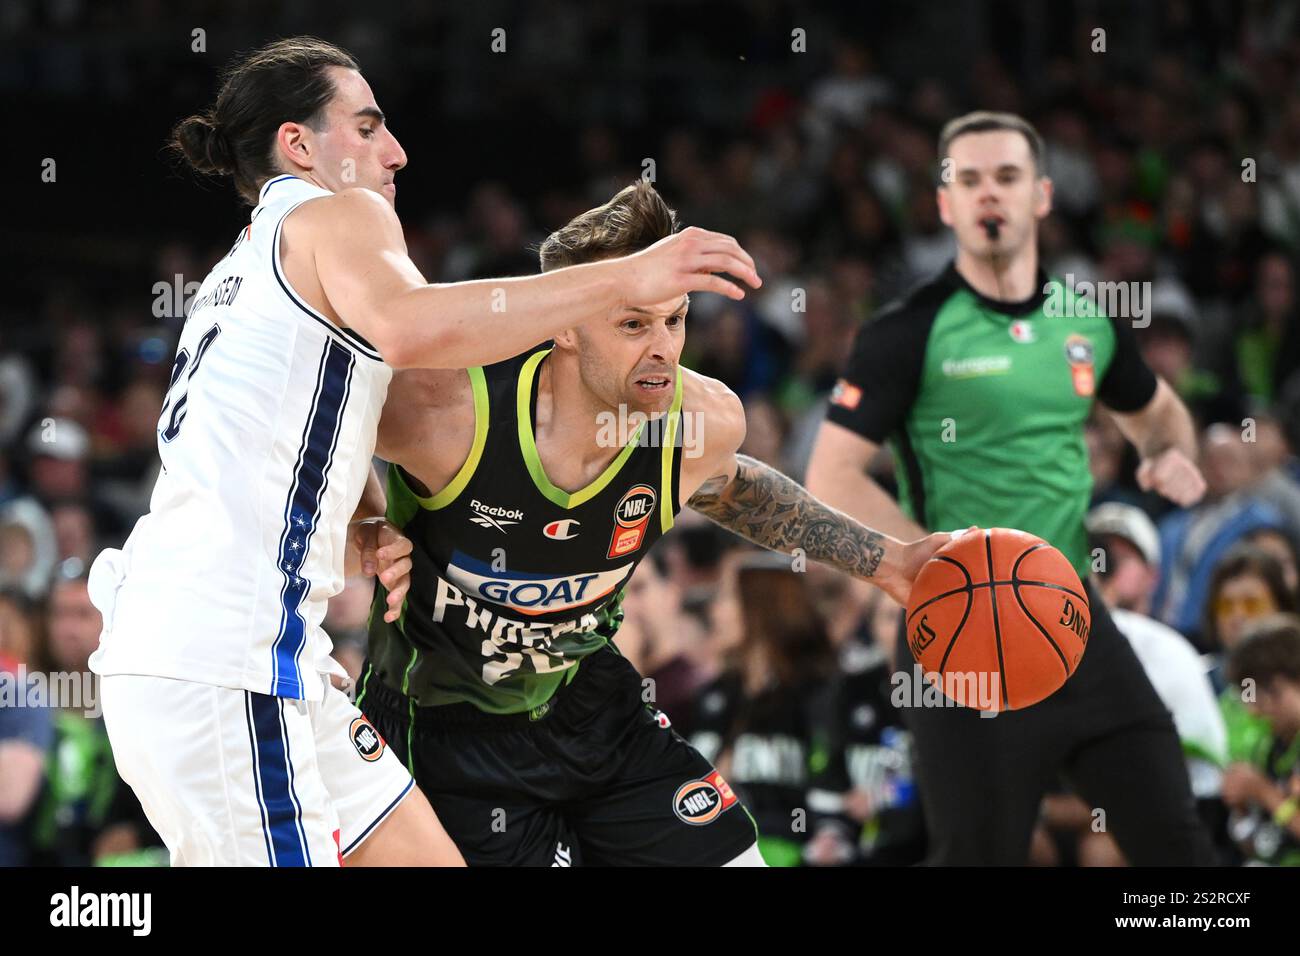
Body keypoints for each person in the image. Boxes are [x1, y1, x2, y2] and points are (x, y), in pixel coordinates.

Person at [85, 36, 760, 868]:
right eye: (366, 129)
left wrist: (367, 517)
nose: (395, 153)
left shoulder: (247, 267)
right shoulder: (333, 213)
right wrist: (628, 277)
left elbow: (290, 428)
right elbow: (413, 329)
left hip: (266, 657)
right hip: (224, 659)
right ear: (299, 146)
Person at [356, 181, 952, 866]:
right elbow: (302, 430)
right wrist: (363, 518)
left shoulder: (701, 422)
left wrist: (891, 563)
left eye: (675, 320)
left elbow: (737, 490)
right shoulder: (444, 410)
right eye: (633, 325)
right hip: (440, 727)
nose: (663, 348)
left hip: (590, 703)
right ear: (563, 324)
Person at [806, 110, 1217, 865]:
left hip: (1075, 618)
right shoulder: (906, 332)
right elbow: (831, 476)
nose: (987, 194)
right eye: (968, 180)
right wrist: (929, 566)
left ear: (1042, 196)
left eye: (1005, 177)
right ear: (944, 204)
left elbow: (1158, 413)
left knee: (1179, 853)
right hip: (960, 637)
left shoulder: (1084, 321)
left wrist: (1165, 453)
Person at [1222, 614, 1300, 865]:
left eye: (1265, 693)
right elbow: (1257, 847)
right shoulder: (1266, 747)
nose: (1255, 710)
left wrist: (1264, 792)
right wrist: (1243, 809)